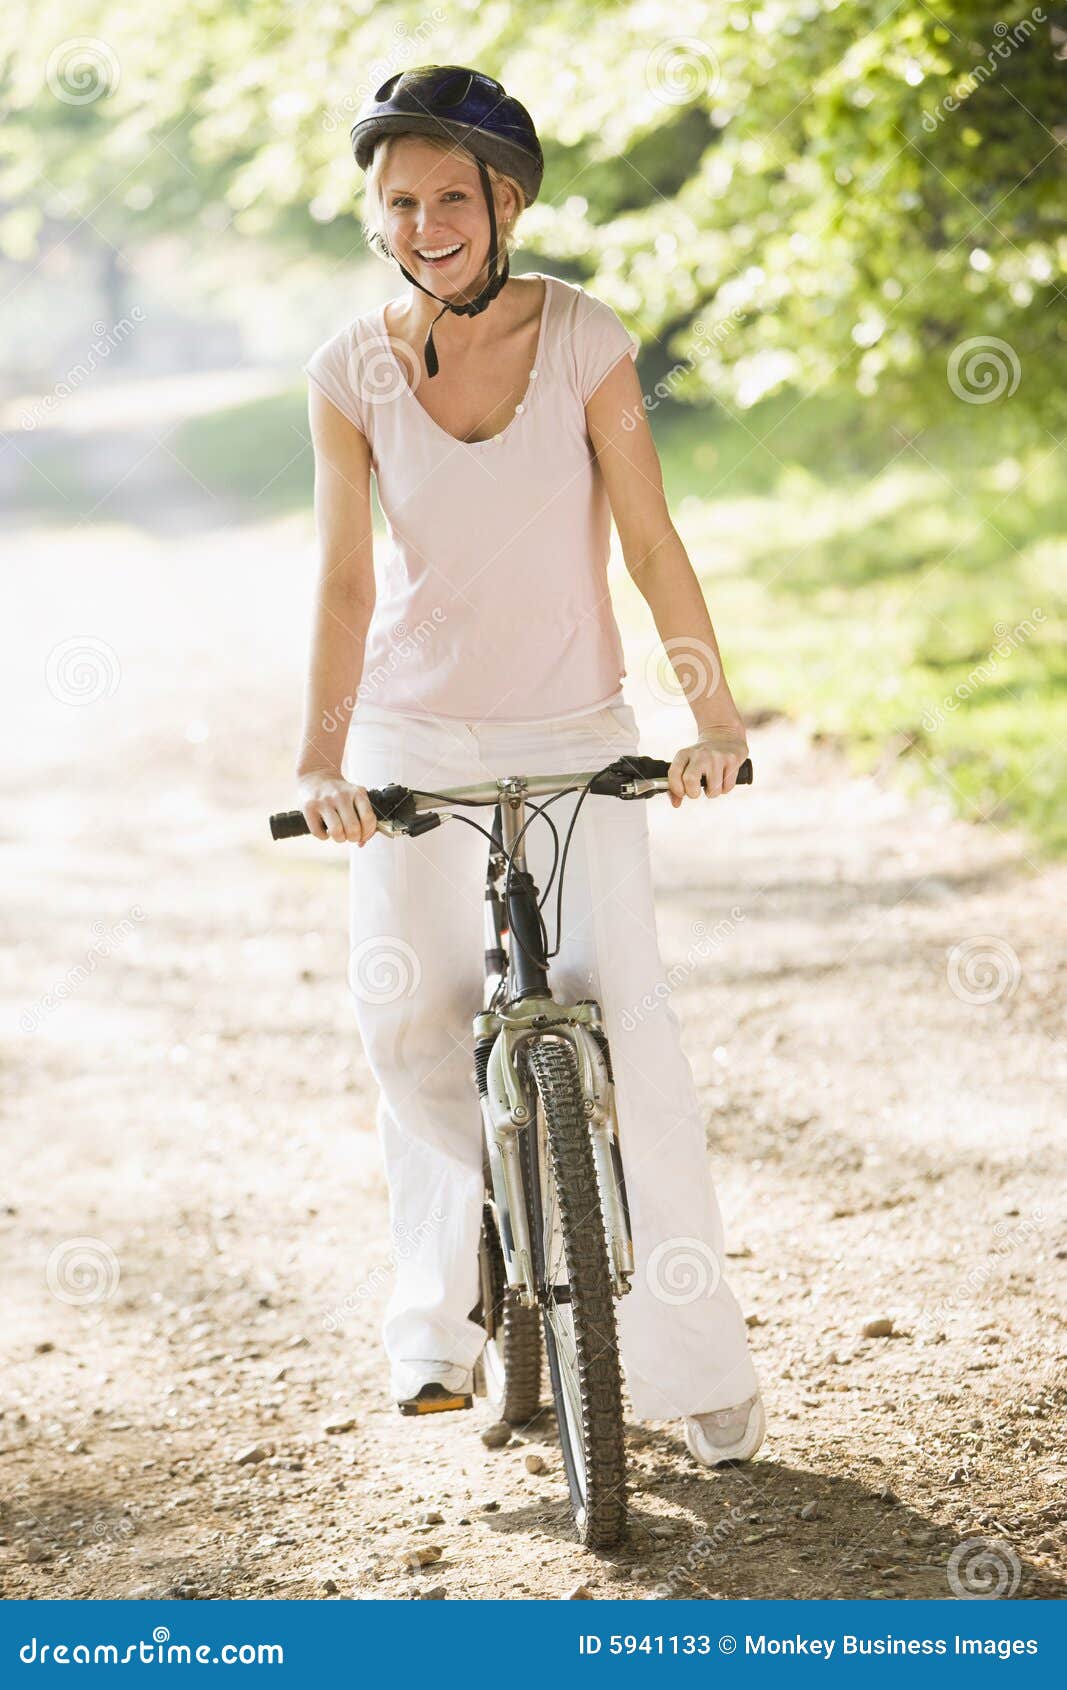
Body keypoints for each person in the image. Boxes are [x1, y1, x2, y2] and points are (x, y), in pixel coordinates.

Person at [297, 65, 765, 1466]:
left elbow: (651, 541)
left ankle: (691, 1363)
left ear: (506, 200)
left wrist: (713, 718)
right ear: (378, 217)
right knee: (416, 1027)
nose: (427, 222)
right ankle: (438, 1310)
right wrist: (323, 759)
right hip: (413, 744)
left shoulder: (584, 339)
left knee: (643, 1044)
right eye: (401, 201)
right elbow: (340, 586)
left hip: (577, 736)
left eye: (454, 195)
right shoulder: (349, 370)